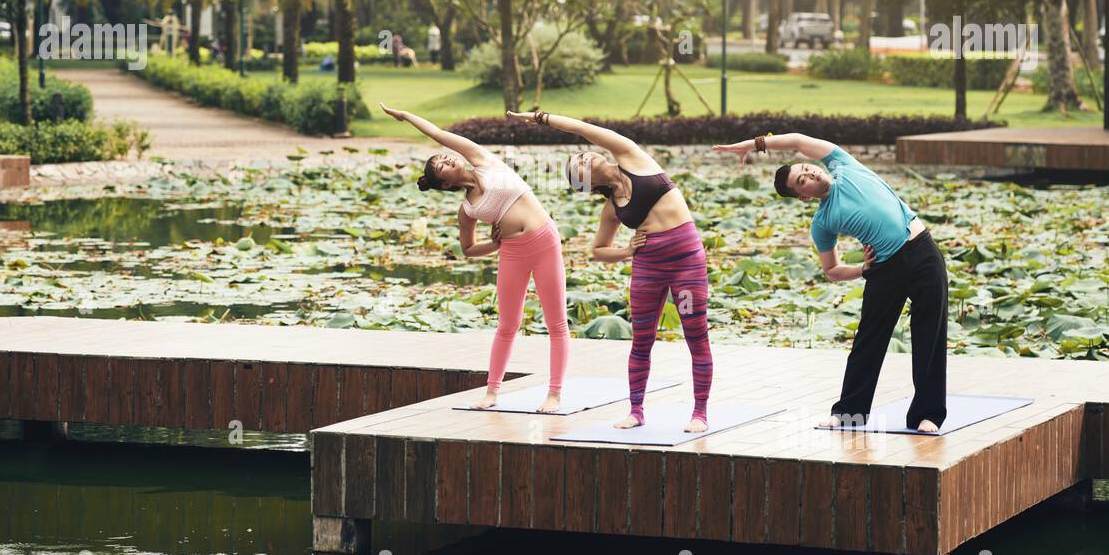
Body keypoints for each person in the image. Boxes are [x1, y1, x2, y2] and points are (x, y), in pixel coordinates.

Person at [713, 132, 947, 432]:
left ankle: (927, 415)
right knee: (869, 340)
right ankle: (848, 412)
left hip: (922, 251)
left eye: (804, 169)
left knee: (930, 332)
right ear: (804, 196)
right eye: (802, 181)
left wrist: (753, 144)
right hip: (884, 269)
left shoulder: (844, 164)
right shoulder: (823, 222)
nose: (808, 173)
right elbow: (832, 270)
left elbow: (797, 140)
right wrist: (863, 269)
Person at [512, 110, 712, 432]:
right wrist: (626, 251)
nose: (585, 156)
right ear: (585, 183)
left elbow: (583, 129)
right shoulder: (612, 208)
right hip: (648, 267)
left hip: (686, 261)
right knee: (642, 340)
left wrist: (542, 118)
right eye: (579, 164)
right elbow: (597, 251)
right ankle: (636, 411)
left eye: (582, 155)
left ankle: (699, 413)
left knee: (695, 336)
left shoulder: (633, 158)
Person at [381, 103, 569, 412]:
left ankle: (554, 395)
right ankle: (492, 392)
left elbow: (439, 133)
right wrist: (493, 246)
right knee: (507, 324)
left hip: (544, 240)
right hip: (512, 252)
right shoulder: (467, 210)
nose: (446, 157)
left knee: (556, 323)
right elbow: (467, 249)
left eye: (444, 157)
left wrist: (405, 116)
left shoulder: (484, 160)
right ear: (445, 183)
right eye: (440, 164)